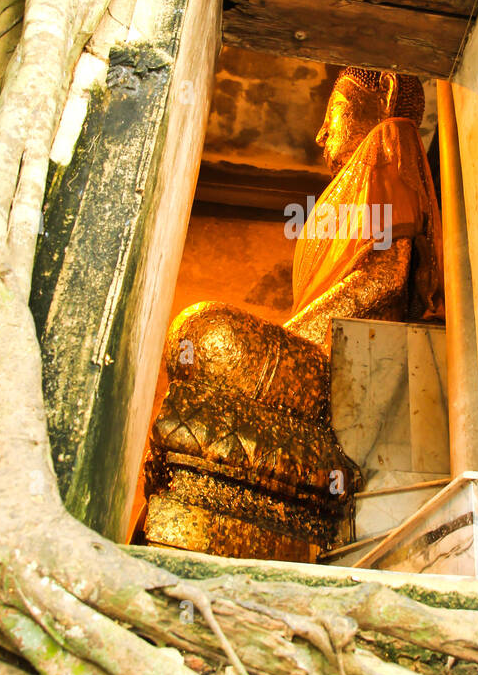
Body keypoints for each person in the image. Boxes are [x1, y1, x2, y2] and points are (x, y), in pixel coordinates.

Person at [141, 66, 444, 560]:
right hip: (319, 351)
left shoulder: (391, 138)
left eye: (336, 112)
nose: (321, 133)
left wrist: (293, 337)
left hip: (352, 356)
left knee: (206, 329)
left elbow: (386, 277)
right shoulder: (341, 187)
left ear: (381, 100)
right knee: (197, 341)